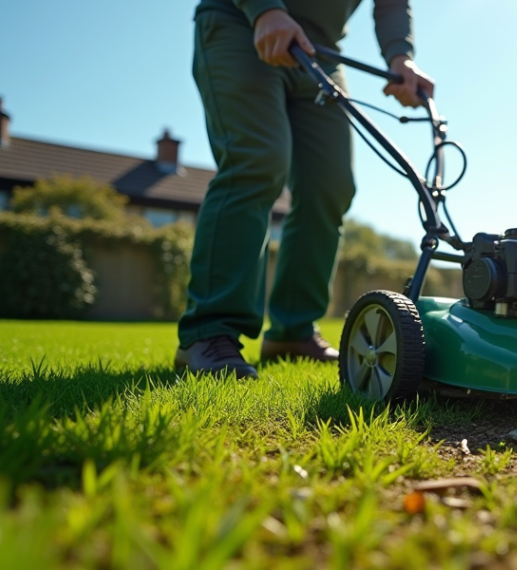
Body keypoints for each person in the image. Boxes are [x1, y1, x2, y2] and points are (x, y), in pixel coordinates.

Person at [175, 0, 435, 378]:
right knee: (257, 162)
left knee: (329, 185)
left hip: (321, 53)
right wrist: (264, 9)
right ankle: (207, 332)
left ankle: (292, 331)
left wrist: (400, 55)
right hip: (243, 23)